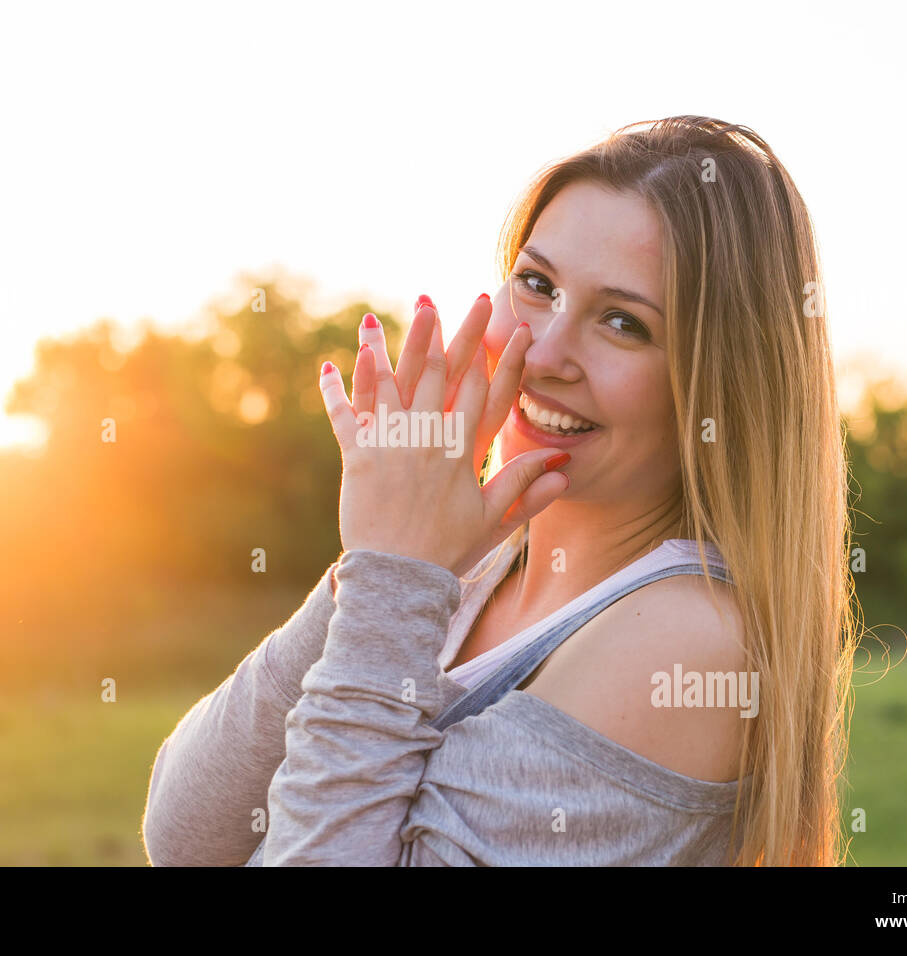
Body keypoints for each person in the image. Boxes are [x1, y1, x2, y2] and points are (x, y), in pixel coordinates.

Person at [142, 115, 860, 866]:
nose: (544, 352)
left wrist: (392, 573)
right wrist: (378, 568)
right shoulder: (460, 568)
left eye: (623, 322)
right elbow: (188, 834)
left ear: (718, 389)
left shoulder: (686, 644)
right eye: (537, 284)